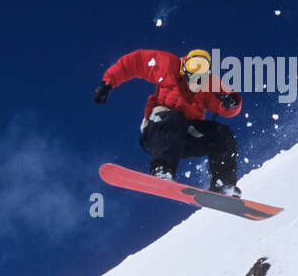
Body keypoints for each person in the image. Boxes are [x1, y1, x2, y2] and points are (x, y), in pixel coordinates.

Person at [94, 47, 243, 195]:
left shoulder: (209, 84)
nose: (197, 72)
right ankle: (161, 170)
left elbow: (228, 109)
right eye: (194, 66)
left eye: (202, 68)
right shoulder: (168, 65)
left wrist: (231, 102)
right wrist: (108, 82)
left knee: (222, 133)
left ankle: (223, 185)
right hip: (158, 133)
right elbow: (136, 61)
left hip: (184, 138)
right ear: (185, 66)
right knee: (176, 117)